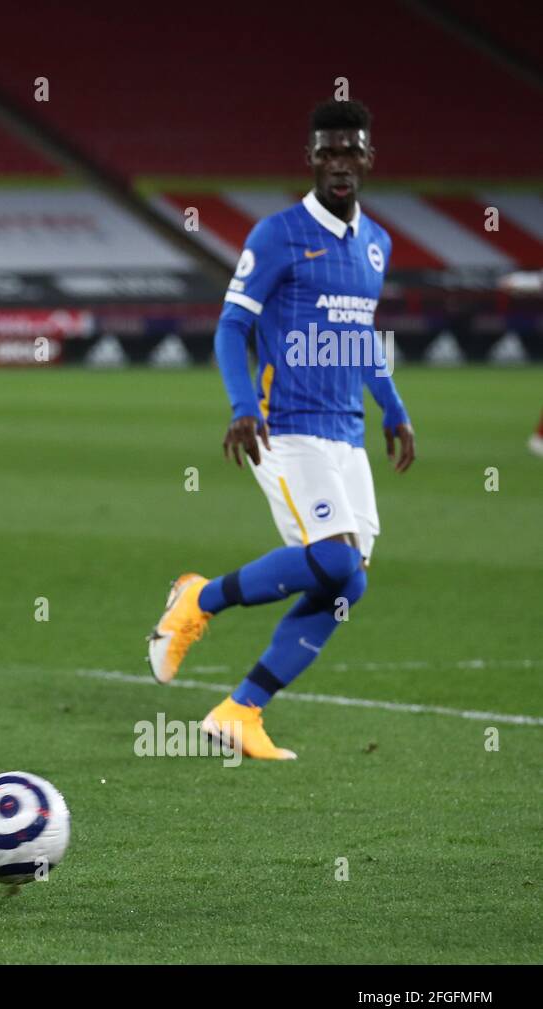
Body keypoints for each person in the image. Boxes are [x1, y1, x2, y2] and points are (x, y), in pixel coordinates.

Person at [147, 100, 416, 760]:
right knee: (334, 558)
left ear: (368, 158)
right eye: (328, 151)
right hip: (284, 428)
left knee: (348, 583)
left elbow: (358, 340)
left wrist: (395, 407)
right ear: (312, 159)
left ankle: (241, 709)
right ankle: (198, 598)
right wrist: (242, 405)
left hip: (345, 434)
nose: (340, 163)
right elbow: (232, 325)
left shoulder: (377, 244)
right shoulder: (278, 234)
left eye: (351, 150)